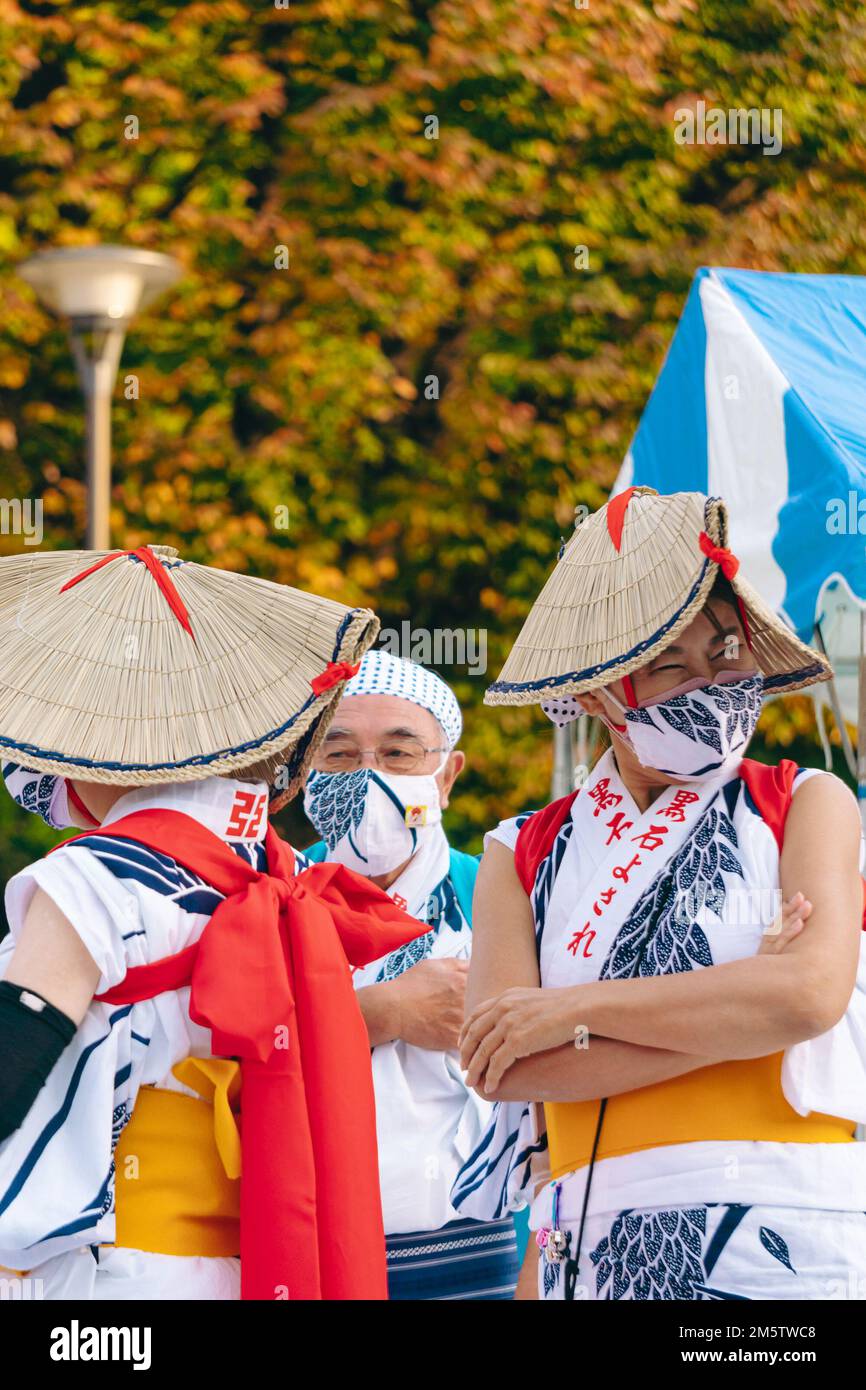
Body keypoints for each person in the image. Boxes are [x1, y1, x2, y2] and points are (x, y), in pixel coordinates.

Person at [454, 486, 866, 1301]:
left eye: (725, 652)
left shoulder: (809, 800)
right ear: (601, 693)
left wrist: (573, 1012)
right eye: (670, 664)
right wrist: (747, 1006)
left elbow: (813, 997)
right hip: (589, 1234)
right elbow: (501, 1065)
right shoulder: (520, 848)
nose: (712, 680)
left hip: (785, 1218)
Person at [0, 543, 423, 1300]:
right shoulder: (285, 878)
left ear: (109, 739)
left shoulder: (97, 879)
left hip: (100, 1278)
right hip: (243, 1266)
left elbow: (9, 1065)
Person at [302, 649, 521, 1299]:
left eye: (399, 754)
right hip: (313, 1254)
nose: (369, 776)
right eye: (338, 754)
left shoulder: (503, 898)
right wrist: (385, 1010)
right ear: (304, 770)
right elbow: (232, 1058)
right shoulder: (269, 895)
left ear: (447, 776)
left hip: (487, 1253)